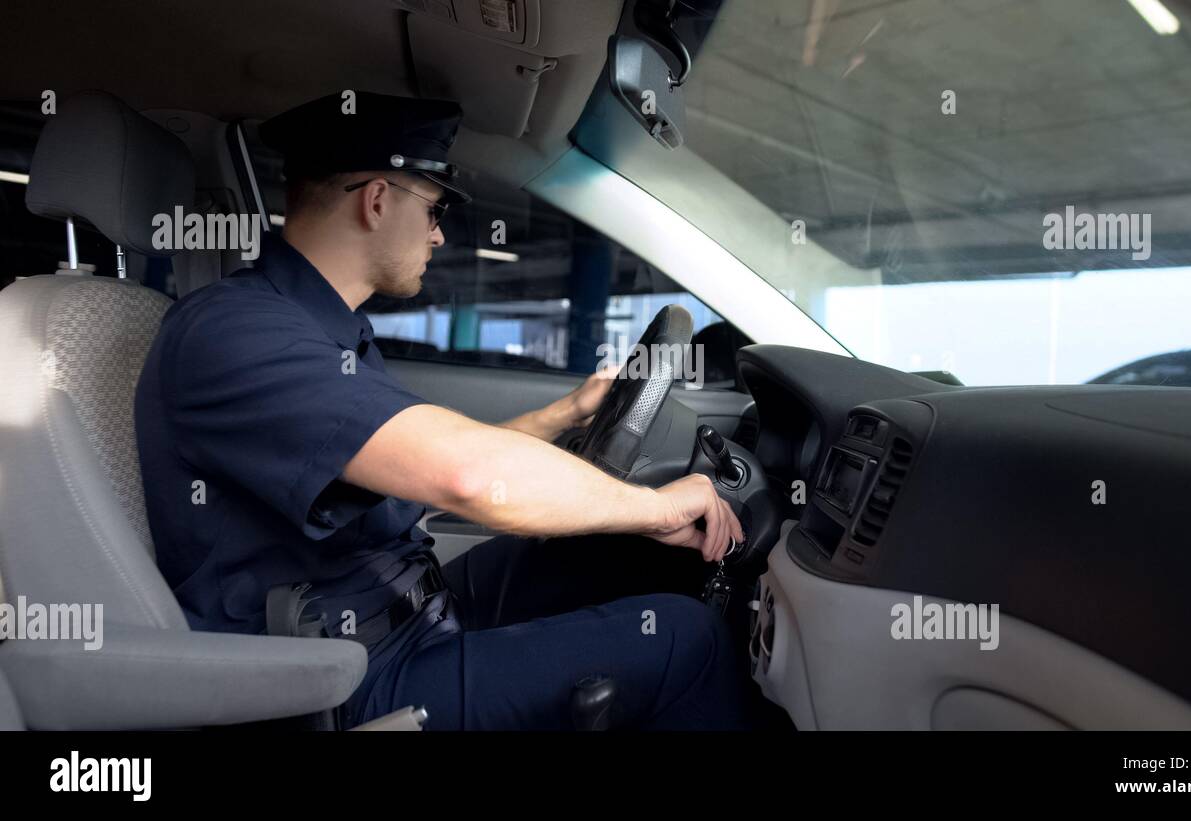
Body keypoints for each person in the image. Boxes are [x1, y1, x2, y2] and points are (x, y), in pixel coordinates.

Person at [134, 91, 750, 730]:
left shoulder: (324, 331)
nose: (438, 232)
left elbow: (423, 472)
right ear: (377, 200)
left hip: (406, 611)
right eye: (435, 206)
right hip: (338, 679)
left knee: (626, 556)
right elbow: (470, 478)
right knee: (686, 639)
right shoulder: (237, 332)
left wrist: (568, 412)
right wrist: (658, 505)